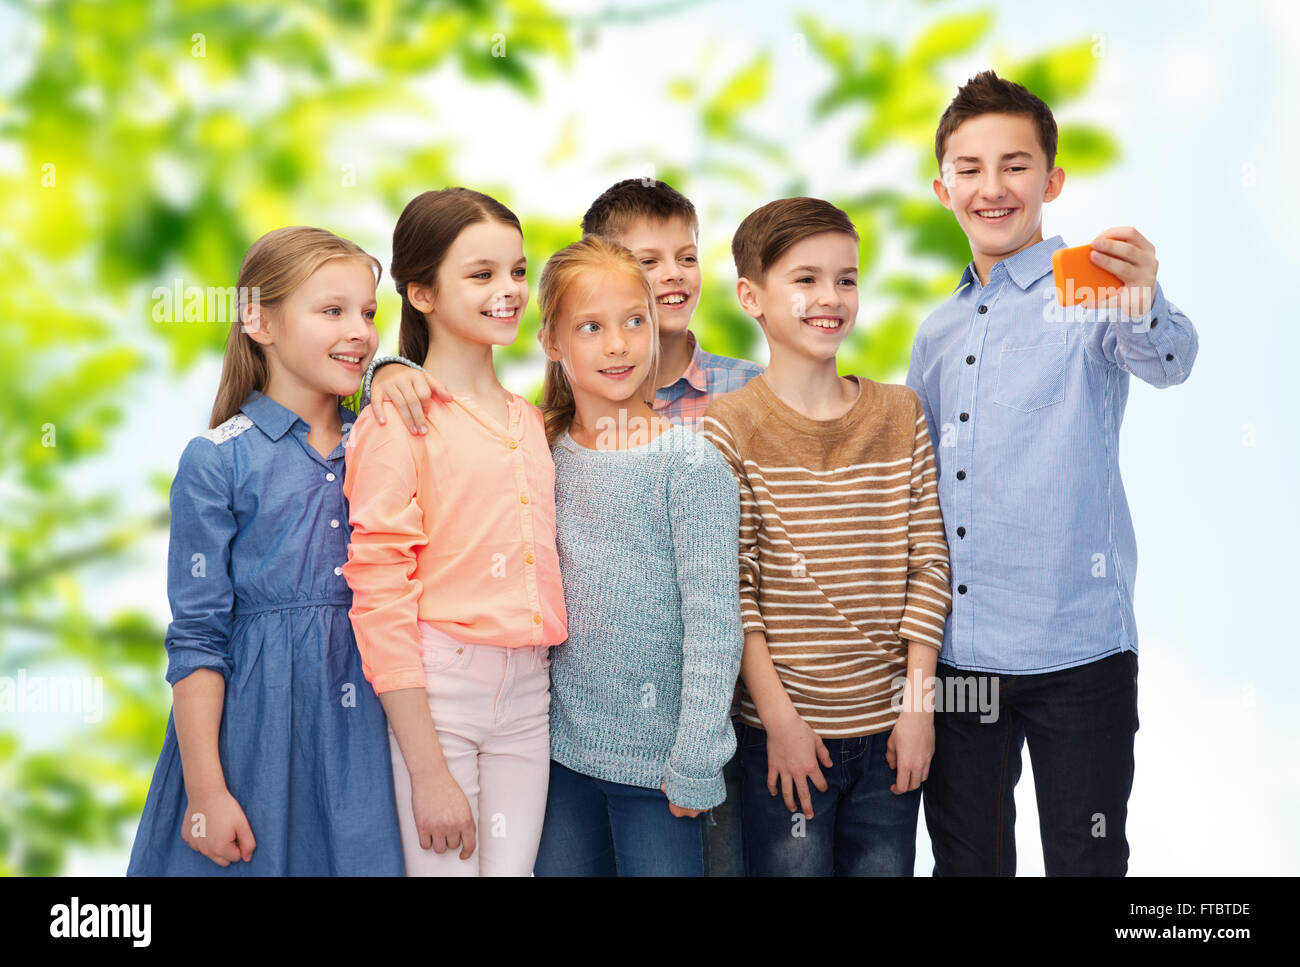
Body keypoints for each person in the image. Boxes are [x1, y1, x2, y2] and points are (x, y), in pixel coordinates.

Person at [908, 70, 1199, 876]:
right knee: (967, 862)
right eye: (970, 168)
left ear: (1051, 179)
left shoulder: (1091, 283)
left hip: (1080, 650)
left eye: (1015, 164)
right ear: (942, 187)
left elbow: (1169, 360)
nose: (992, 187)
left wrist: (1144, 299)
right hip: (964, 659)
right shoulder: (935, 333)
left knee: (1087, 859)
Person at [127, 225, 404, 875]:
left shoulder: (385, 442)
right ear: (259, 320)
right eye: (332, 311)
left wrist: (398, 373)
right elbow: (197, 637)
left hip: (372, 730)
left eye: (367, 312)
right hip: (254, 739)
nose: (360, 331)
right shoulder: (218, 459)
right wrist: (206, 791)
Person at [700, 197, 952, 876]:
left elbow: (929, 566)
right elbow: (733, 589)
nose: (830, 297)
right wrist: (779, 722)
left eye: (846, 278)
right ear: (751, 296)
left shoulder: (901, 413)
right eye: (805, 279)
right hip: (782, 740)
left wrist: (917, 707)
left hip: (890, 735)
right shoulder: (731, 426)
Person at [342, 188, 566, 876]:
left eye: (518, 271)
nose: (509, 291)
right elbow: (378, 593)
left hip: (529, 690)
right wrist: (427, 767)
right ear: (422, 293)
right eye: (481, 274)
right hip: (441, 689)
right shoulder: (395, 420)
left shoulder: (531, 422)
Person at [529, 234, 742, 877]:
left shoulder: (690, 463)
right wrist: (385, 370)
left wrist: (695, 759)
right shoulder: (538, 449)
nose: (617, 344)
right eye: (590, 327)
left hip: (662, 772)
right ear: (552, 341)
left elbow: (715, 625)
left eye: (633, 322)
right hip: (561, 759)